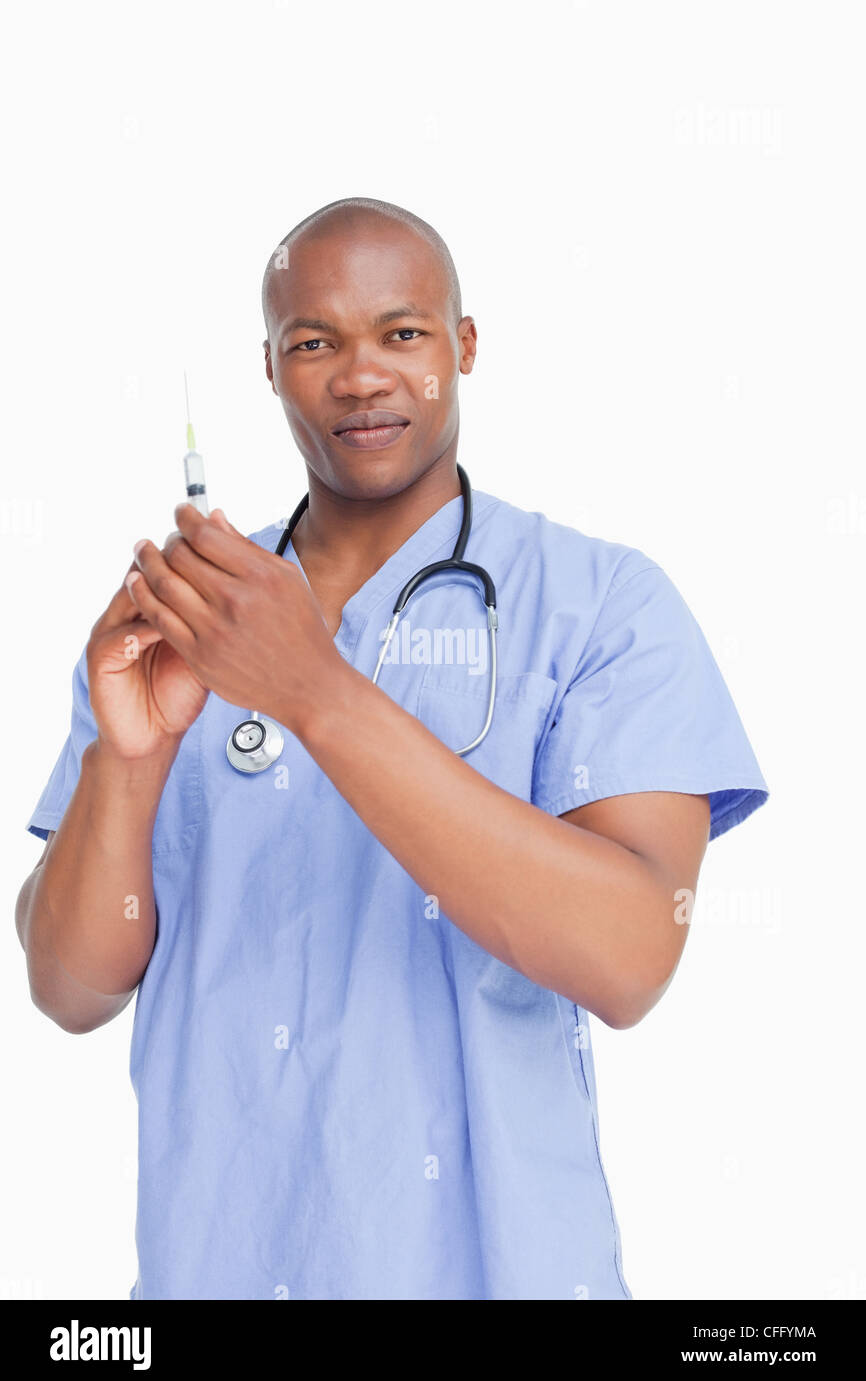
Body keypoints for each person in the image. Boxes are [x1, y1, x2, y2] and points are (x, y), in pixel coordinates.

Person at [16, 196, 769, 1301]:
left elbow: (626, 958)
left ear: (462, 347)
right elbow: (68, 986)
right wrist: (127, 761)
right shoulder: (181, 623)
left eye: (401, 334)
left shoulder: (601, 604)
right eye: (312, 342)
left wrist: (313, 689)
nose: (359, 376)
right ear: (269, 370)